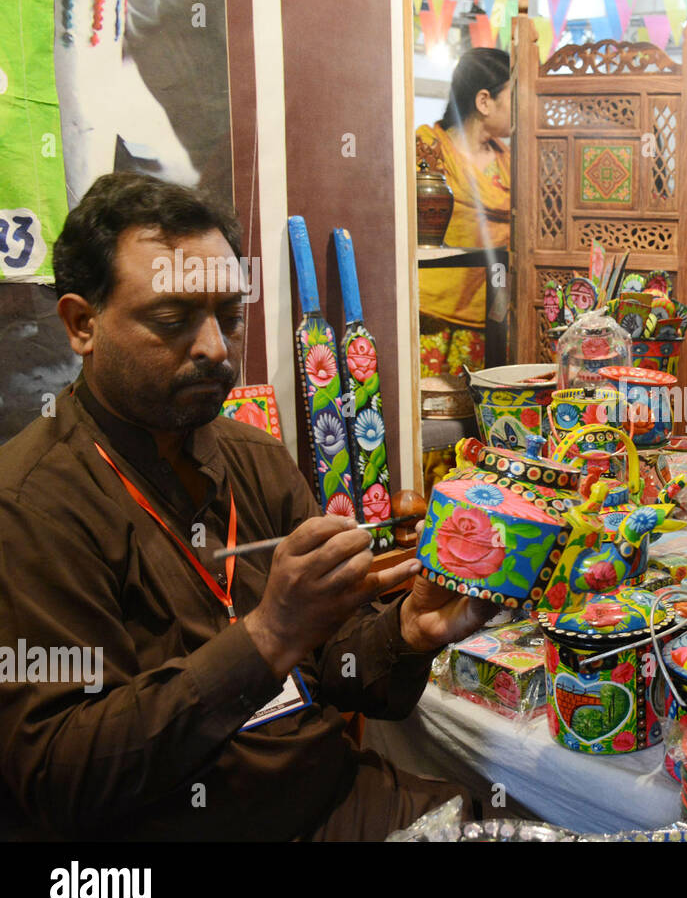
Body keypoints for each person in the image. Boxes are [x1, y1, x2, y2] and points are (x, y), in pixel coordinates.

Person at [0, 173, 495, 840]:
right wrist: (267, 637)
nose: (213, 347)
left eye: (229, 317)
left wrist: (408, 630)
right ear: (82, 323)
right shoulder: (31, 504)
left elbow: (337, 665)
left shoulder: (250, 455)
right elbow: (61, 776)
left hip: (336, 801)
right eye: (173, 320)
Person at [415, 48, 512, 378]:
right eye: (515, 98)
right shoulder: (427, 149)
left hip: (489, 320)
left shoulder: (509, 162)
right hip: (430, 317)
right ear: (484, 101)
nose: (523, 109)